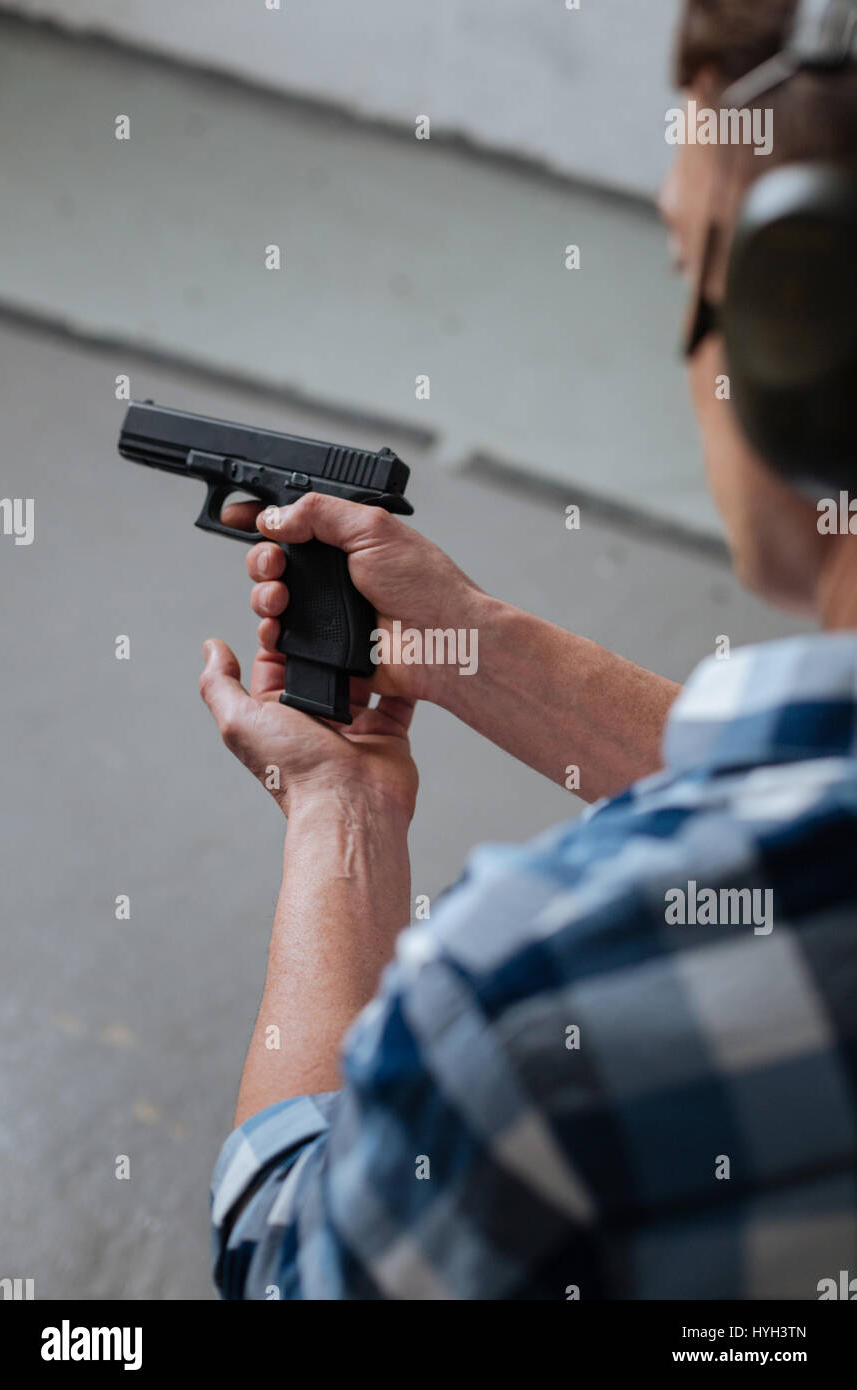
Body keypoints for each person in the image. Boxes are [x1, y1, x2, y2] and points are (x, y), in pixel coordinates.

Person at [203, 0, 857, 1298]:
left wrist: (339, 812)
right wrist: (465, 642)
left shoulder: (535, 999)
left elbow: (292, 1260)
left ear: (801, 343)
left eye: (696, 268)